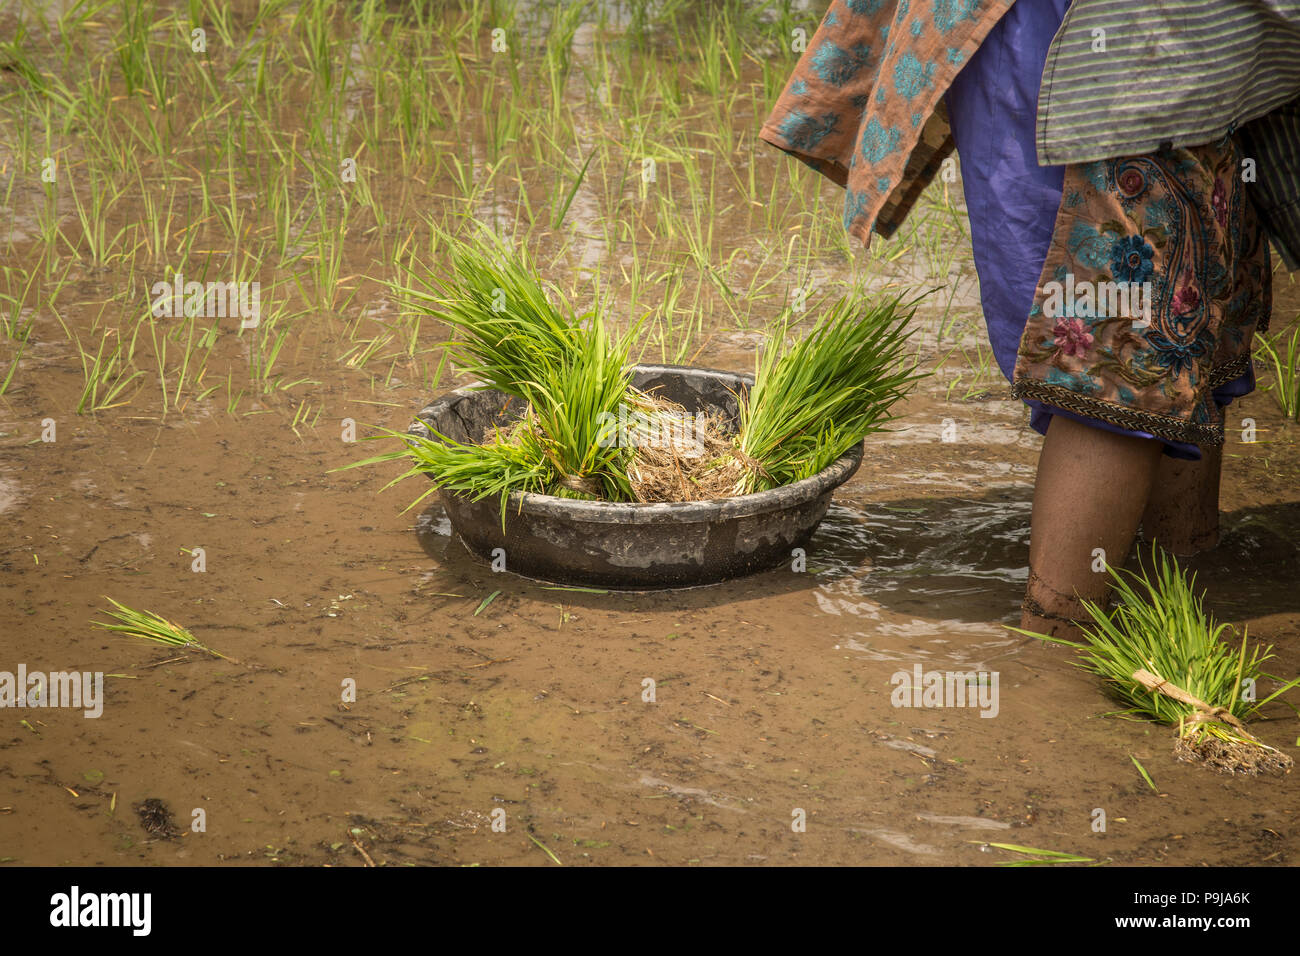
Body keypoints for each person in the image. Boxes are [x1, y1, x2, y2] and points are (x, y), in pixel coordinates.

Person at [760, 0, 1290, 640]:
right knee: (1113, 352)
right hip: (1108, 44)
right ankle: (1054, 646)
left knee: (1192, 301)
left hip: (1179, 46)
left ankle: (1180, 563)